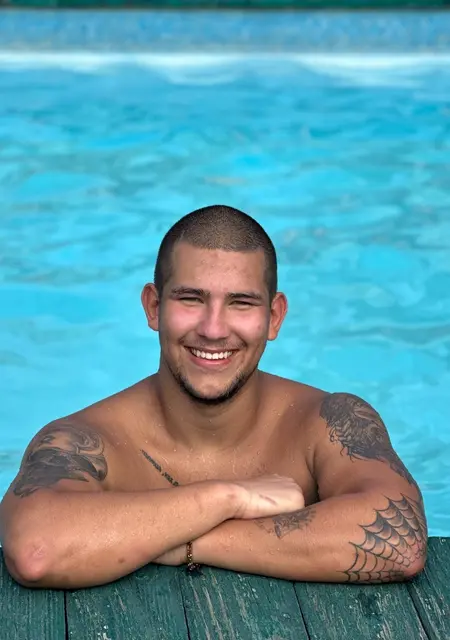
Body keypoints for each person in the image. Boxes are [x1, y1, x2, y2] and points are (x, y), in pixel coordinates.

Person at [0, 205, 427, 590]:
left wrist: (181, 540)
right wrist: (229, 497)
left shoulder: (326, 421)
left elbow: (401, 543)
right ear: (153, 307)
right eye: (191, 299)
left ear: (274, 317)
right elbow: (36, 551)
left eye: (241, 303)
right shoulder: (86, 439)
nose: (214, 329)